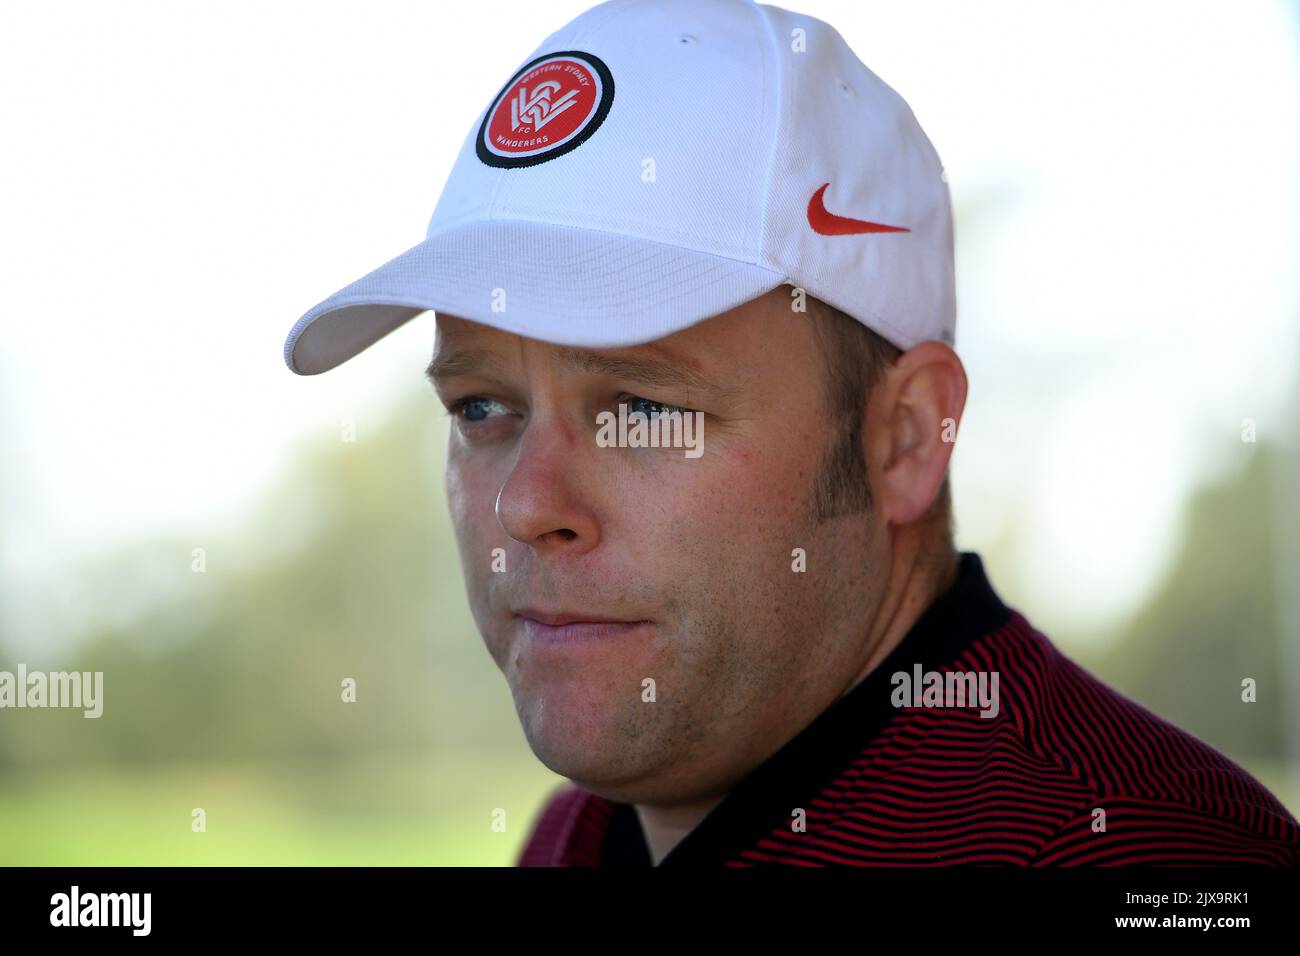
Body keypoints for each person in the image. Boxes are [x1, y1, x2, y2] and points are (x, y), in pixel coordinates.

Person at [282, 0, 1300, 865]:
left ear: (903, 435)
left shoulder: (1152, 854)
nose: (527, 503)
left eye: (642, 409)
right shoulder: (572, 839)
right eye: (481, 407)